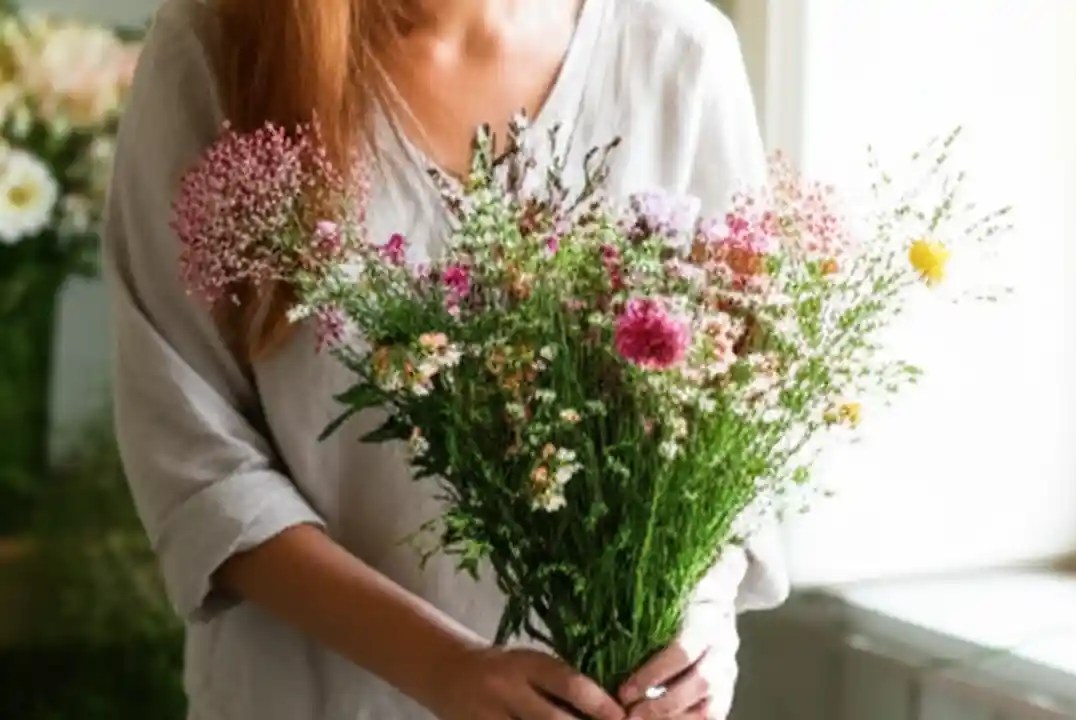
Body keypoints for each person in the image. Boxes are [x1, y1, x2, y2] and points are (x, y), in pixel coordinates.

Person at [104, 0, 787, 718]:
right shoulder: (221, 45)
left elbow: (744, 416)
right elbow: (194, 456)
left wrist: (698, 634)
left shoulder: (678, 52)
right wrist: (442, 667)